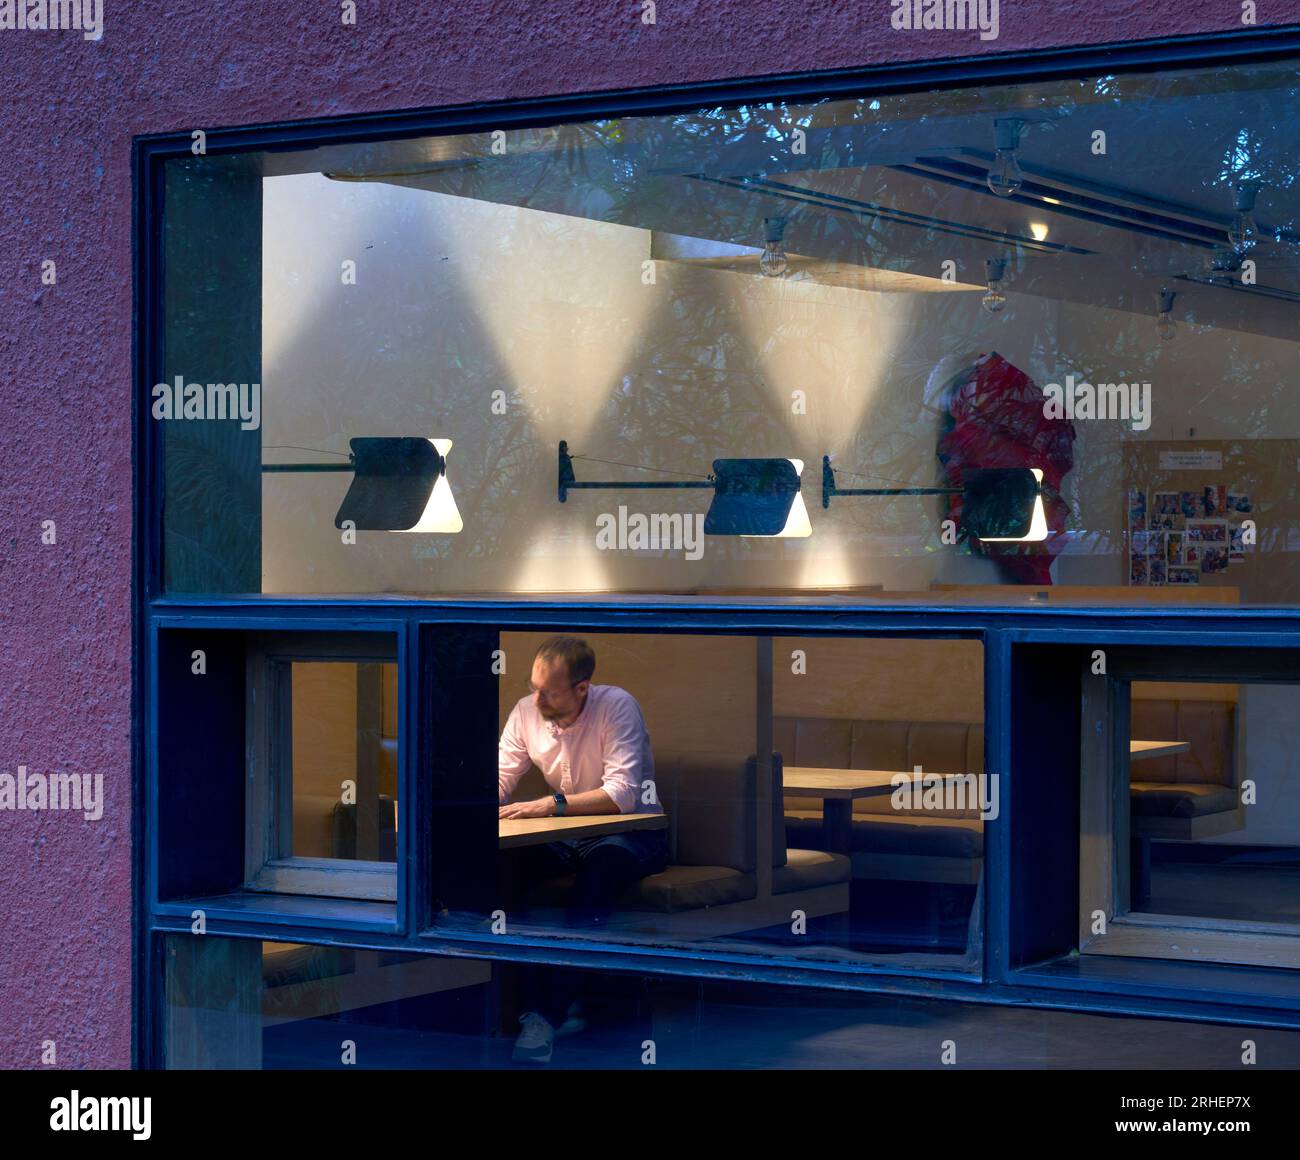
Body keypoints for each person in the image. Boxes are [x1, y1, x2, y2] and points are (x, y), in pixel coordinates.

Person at [498, 635, 666, 1064]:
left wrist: (550, 804)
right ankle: (517, 1005)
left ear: (582, 688)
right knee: (500, 871)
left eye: (550, 692)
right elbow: (500, 778)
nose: (537, 699)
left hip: (633, 831)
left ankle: (547, 1015)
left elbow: (624, 794)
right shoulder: (525, 711)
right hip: (566, 833)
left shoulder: (617, 706)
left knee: (596, 881)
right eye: (534, 687)